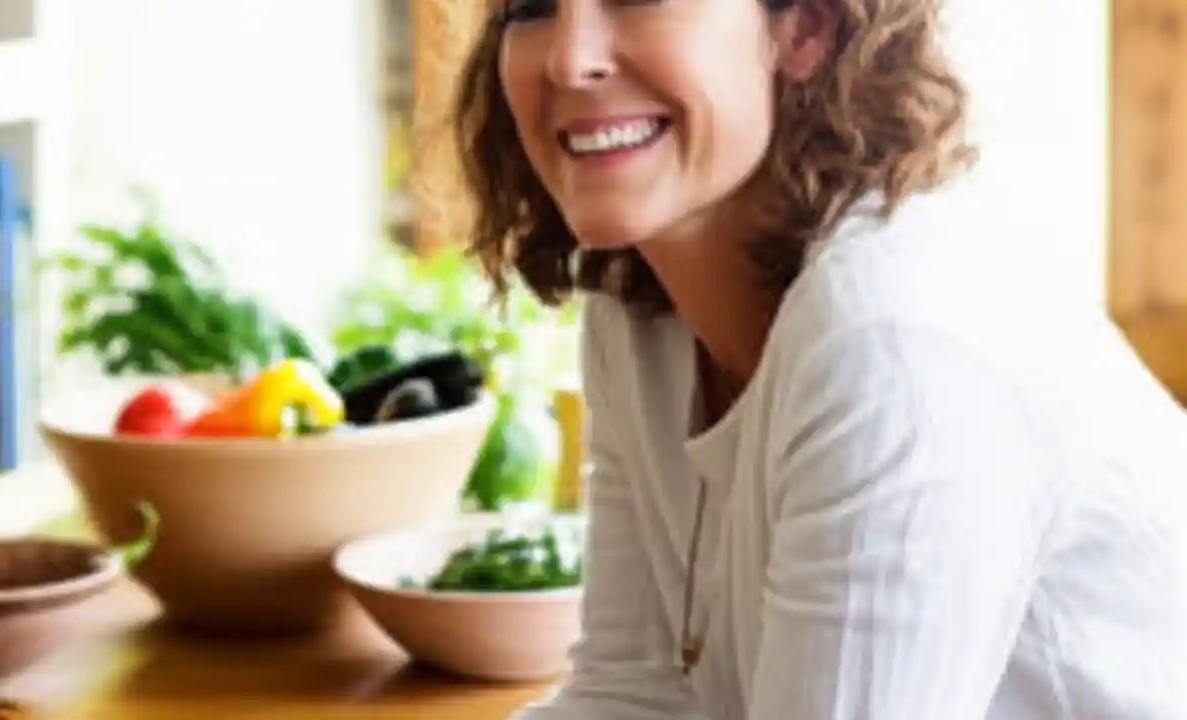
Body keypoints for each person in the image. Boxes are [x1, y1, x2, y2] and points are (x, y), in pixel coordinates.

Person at [454, 0, 1187, 717]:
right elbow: (633, 693)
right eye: (528, 7)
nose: (568, 57)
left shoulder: (894, 347)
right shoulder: (637, 299)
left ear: (807, 25)